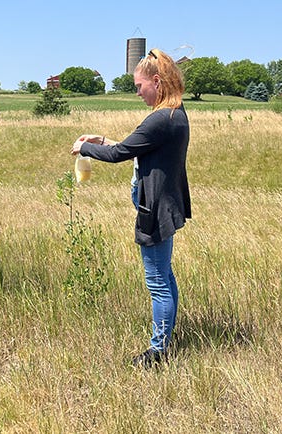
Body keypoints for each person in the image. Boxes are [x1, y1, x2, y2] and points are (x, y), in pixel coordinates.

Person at [71, 49, 191, 369]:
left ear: (156, 81)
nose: (137, 92)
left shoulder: (160, 119)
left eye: (139, 86)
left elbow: (121, 154)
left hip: (155, 209)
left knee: (157, 281)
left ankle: (158, 351)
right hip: (166, 204)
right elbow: (135, 148)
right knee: (164, 275)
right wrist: (103, 139)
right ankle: (166, 339)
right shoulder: (174, 114)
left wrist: (85, 147)